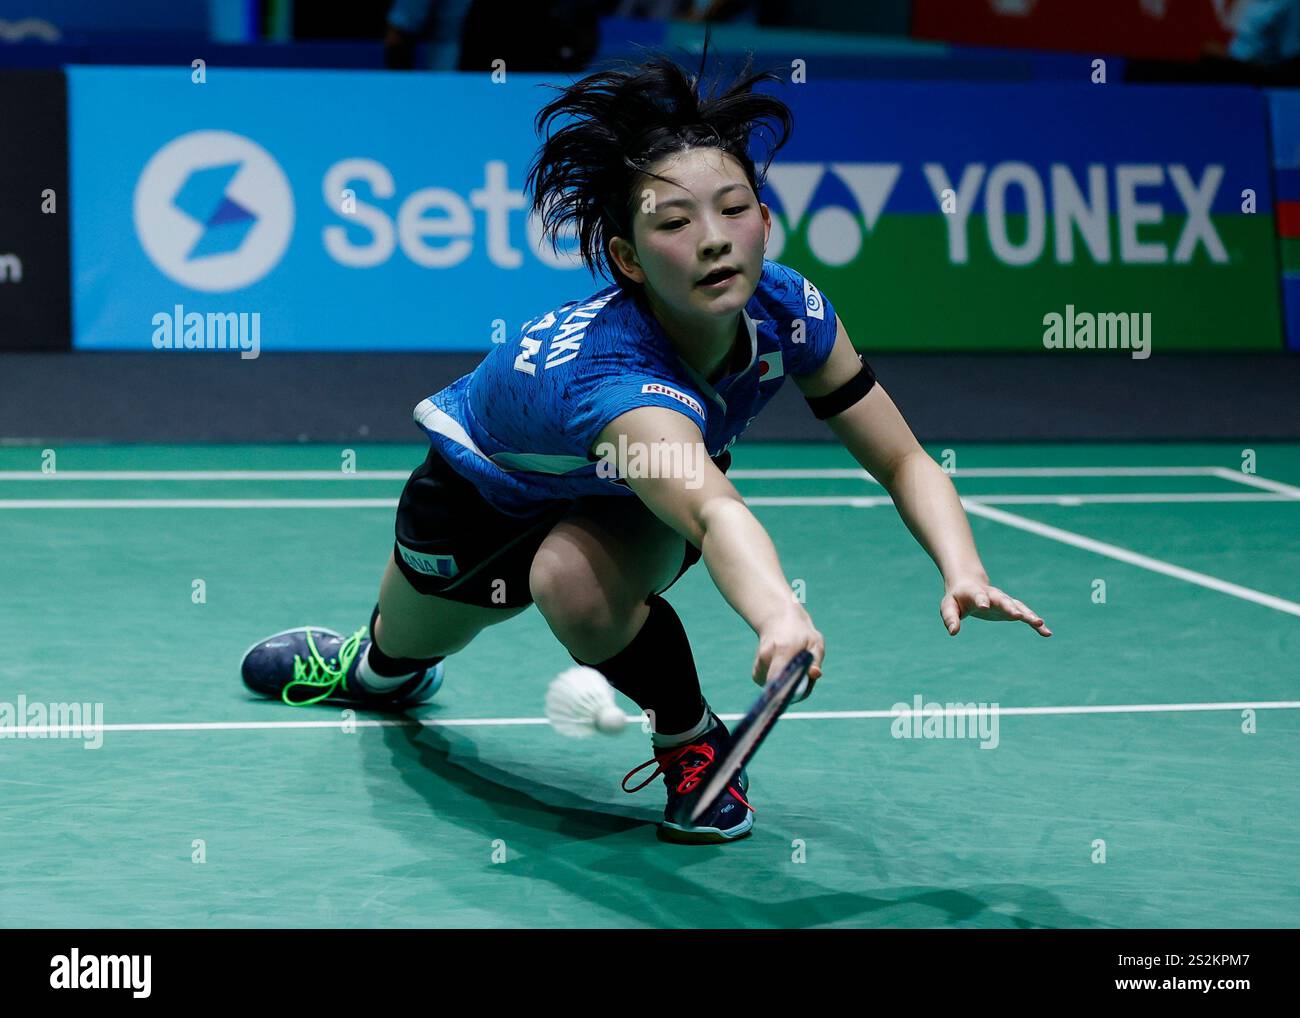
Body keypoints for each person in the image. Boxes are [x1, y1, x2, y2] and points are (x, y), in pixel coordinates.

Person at [241, 42, 1051, 844]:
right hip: (483, 485)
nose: (713, 238)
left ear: (766, 222)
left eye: (735, 209)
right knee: (395, 665)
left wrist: (964, 567)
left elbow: (903, 457)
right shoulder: (620, 383)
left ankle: (691, 738)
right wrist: (779, 614)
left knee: (573, 583)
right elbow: (715, 515)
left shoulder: (790, 310)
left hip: (627, 493)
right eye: (675, 221)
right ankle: (373, 666)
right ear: (626, 258)